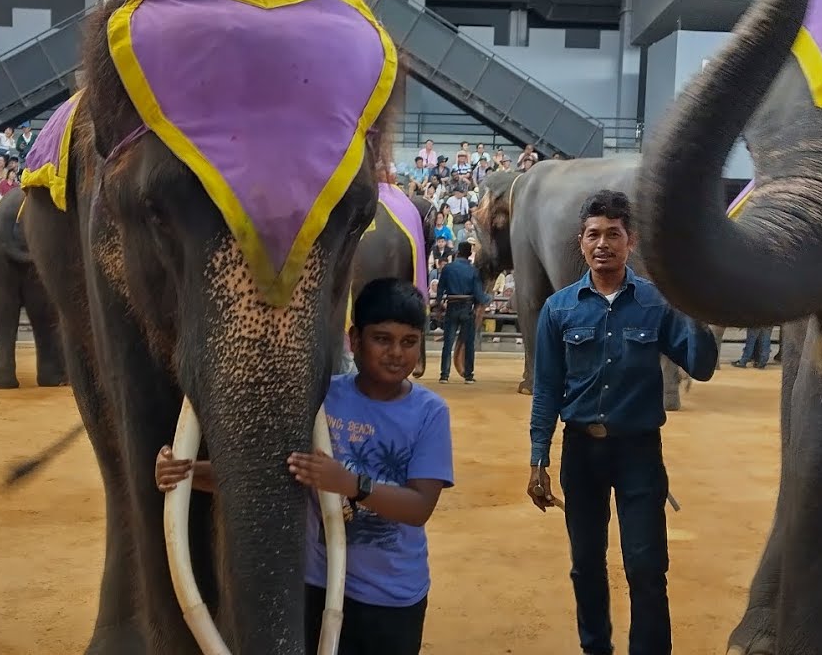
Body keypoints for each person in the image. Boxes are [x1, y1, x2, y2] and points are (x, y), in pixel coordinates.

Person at [154, 277, 454, 655]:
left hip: (391, 600)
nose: (396, 353)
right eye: (382, 339)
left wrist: (350, 483)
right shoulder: (321, 397)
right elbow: (271, 474)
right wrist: (184, 473)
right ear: (354, 339)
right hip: (316, 589)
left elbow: (419, 507)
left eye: (409, 342)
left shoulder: (429, 414)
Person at [526, 190, 718, 655]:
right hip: (581, 454)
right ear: (581, 242)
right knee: (586, 565)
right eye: (594, 234)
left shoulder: (657, 304)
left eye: (614, 234)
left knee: (646, 566)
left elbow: (702, 365)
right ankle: (596, 648)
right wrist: (538, 456)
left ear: (629, 241)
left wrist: (692, 306)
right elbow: (547, 388)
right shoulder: (560, 310)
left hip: (638, 455)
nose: (603, 243)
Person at [436, 240, 489, 384]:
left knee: (448, 342)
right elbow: (479, 295)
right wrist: (489, 298)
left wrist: (439, 306)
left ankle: (444, 375)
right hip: (467, 308)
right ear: (469, 254)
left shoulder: (448, 268)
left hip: (451, 306)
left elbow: (440, 289)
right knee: (469, 343)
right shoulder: (473, 271)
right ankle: (468, 375)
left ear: (458, 252)